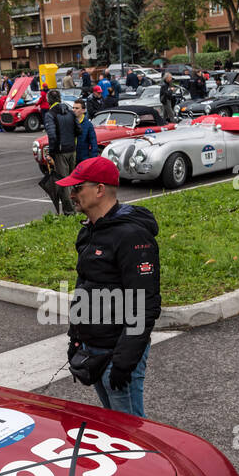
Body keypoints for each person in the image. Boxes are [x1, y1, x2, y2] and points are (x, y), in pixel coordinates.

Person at [61, 156, 161, 418]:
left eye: (77, 188)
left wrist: (124, 361)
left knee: (132, 435)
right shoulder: (90, 231)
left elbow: (144, 303)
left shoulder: (132, 236)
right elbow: (84, 286)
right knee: (113, 430)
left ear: (100, 189)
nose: (72, 195)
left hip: (118, 353)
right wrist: (76, 337)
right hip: (92, 349)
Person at [42, 89, 78, 215]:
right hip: (72, 149)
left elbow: (52, 135)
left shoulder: (50, 114)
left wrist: (51, 153)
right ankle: (77, 206)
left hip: (60, 151)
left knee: (64, 181)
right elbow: (79, 130)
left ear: (48, 100)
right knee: (73, 179)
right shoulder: (70, 111)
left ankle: (70, 211)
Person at [71, 98, 99, 163]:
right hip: (70, 159)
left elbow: (93, 143)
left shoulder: (88, 125)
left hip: (83, 159)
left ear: (83, 110)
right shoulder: (69, 121)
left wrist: (93, 159)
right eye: (73, 108)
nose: (74, 110)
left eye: (77, 108)